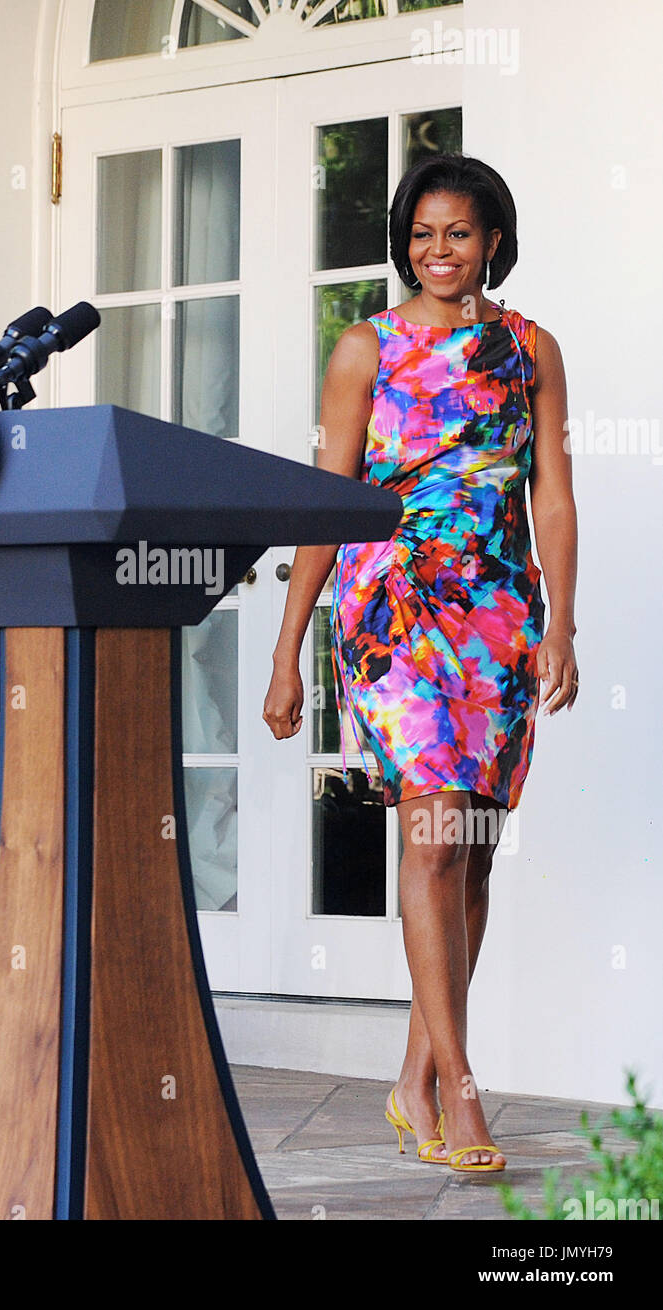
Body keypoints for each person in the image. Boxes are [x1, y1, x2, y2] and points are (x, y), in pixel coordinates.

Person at [263, 154, 578, 1172]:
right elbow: (327, 498)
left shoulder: (529, 348)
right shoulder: (364, 350)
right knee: (433, 836)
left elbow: (554, 494)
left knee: (471, 849)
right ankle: (463, 1089)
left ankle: (413, 1078)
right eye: (422, 233)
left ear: (492, 240)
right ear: (403, 241)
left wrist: (560, 625)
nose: (438, 251)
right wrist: (287, 651)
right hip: (393, 613)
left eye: (459, 233)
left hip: (497, 614)